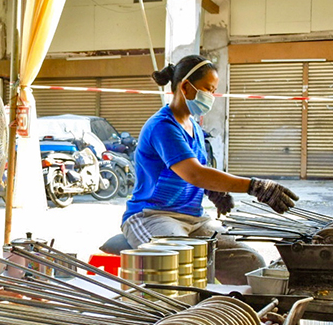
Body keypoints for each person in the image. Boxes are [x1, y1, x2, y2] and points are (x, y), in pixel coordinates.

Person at [110, 55, 299, 285]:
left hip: (194, 220)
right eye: (208, 89)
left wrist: (213, 192)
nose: (211, 96)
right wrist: (255, 186)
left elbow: (198, 172)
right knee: (178, 267)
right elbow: (195, 173)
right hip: (151, 216)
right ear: (186, 87)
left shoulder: (194, 127)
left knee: (250, 263)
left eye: (214, 90)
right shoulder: (163, 127)